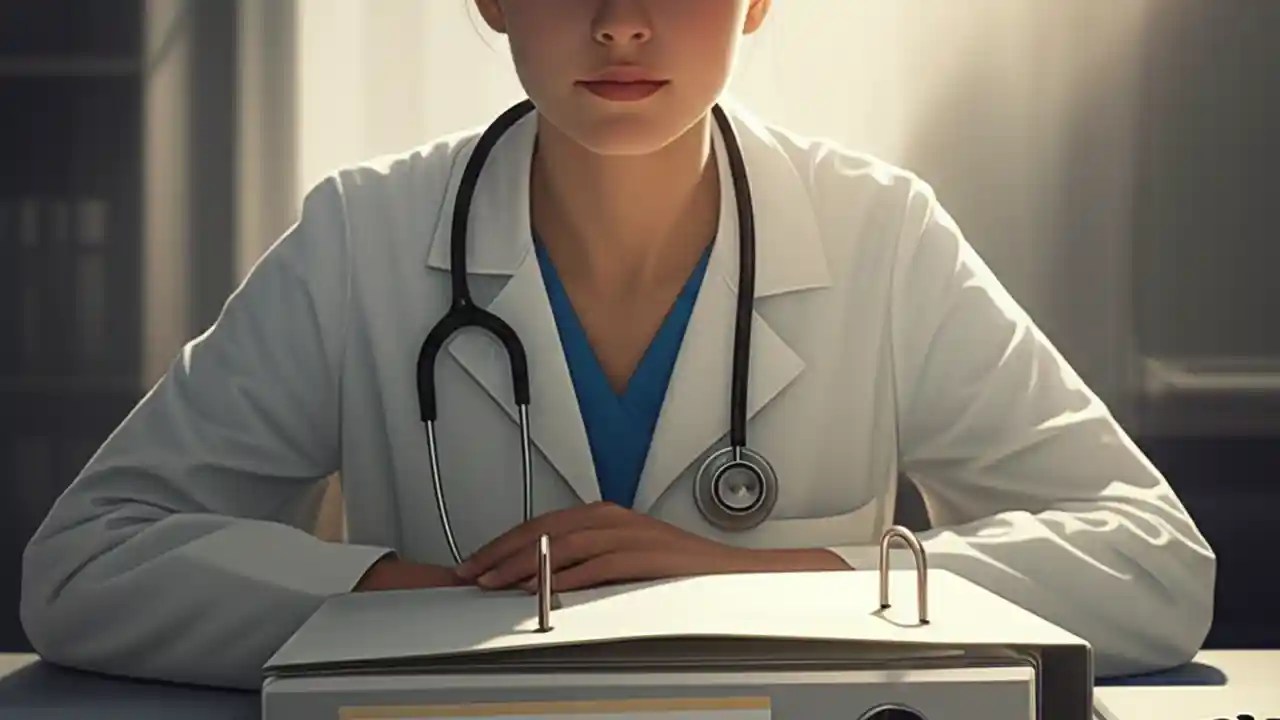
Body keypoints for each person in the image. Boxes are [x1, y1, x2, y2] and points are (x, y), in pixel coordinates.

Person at [20, 0, 1214, 692]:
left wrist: (747, 582)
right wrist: (412, 606)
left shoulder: (878, 232)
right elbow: (85, 566)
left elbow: (1153, 566)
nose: (620, 20)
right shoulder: (364, 236)